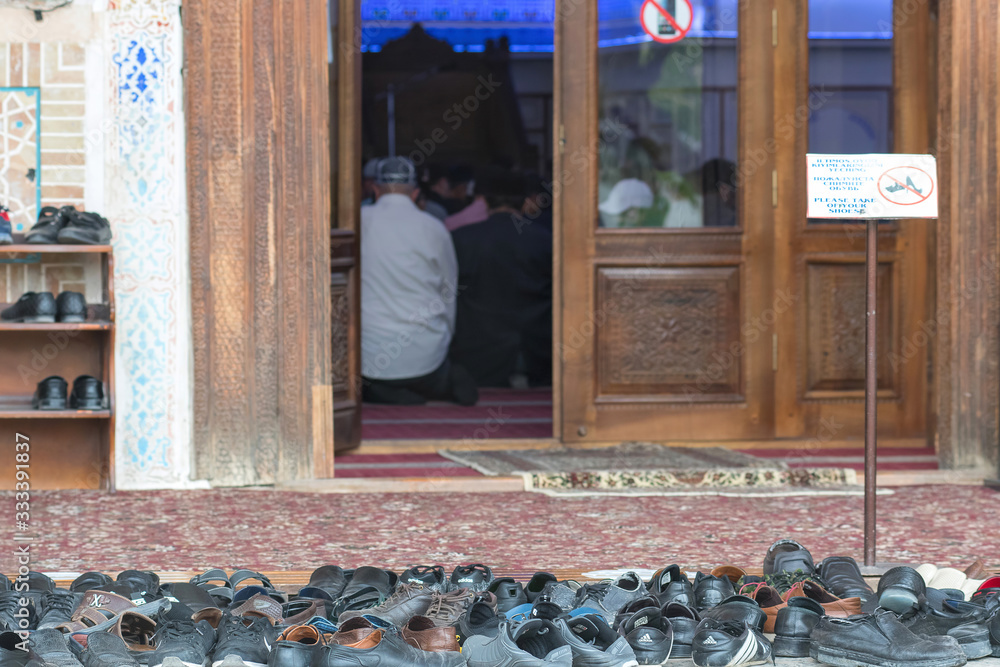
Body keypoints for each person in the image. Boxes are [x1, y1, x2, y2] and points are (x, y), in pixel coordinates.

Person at [360, 157, 478, 406]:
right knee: (433, 374)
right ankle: (439, 383)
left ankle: (390, 394)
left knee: (367, 385)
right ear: (414, 193)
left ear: (375, 189)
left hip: (370, 359)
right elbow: (449, 291)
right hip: (426, 357)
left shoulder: (359, 221)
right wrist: (448, 338)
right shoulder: (434, 227)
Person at [450, 168, 552, 387]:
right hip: (536, 352)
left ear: (484, 201)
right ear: (527, 202)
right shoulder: (545, 240)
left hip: (476, 354)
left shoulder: (461, 239)